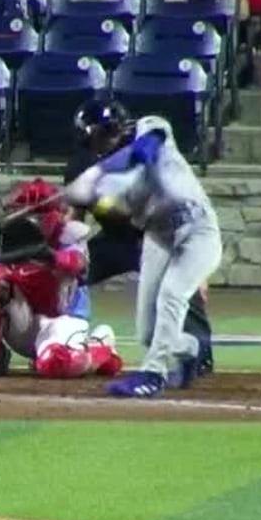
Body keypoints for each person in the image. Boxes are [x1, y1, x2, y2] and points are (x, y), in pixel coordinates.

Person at [64, 108, 222, 399]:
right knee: (148, 333)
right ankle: (191, 348)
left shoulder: (149, 127)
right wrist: (87, 188)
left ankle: (153, 375)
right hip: (157, 238)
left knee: (172, 295)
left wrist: (110, 167)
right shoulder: (104, 180)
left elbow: (149, 143)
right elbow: (96, 206)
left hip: (197, 230)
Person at [0, 178, 125, 380]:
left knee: (56, 363)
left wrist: (48, 255)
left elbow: (78, 264)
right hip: (24, 321)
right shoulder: (11, 238)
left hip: (60, 320)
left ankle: (98, 346)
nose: (29, 219)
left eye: (34, 214)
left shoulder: (70, 236)